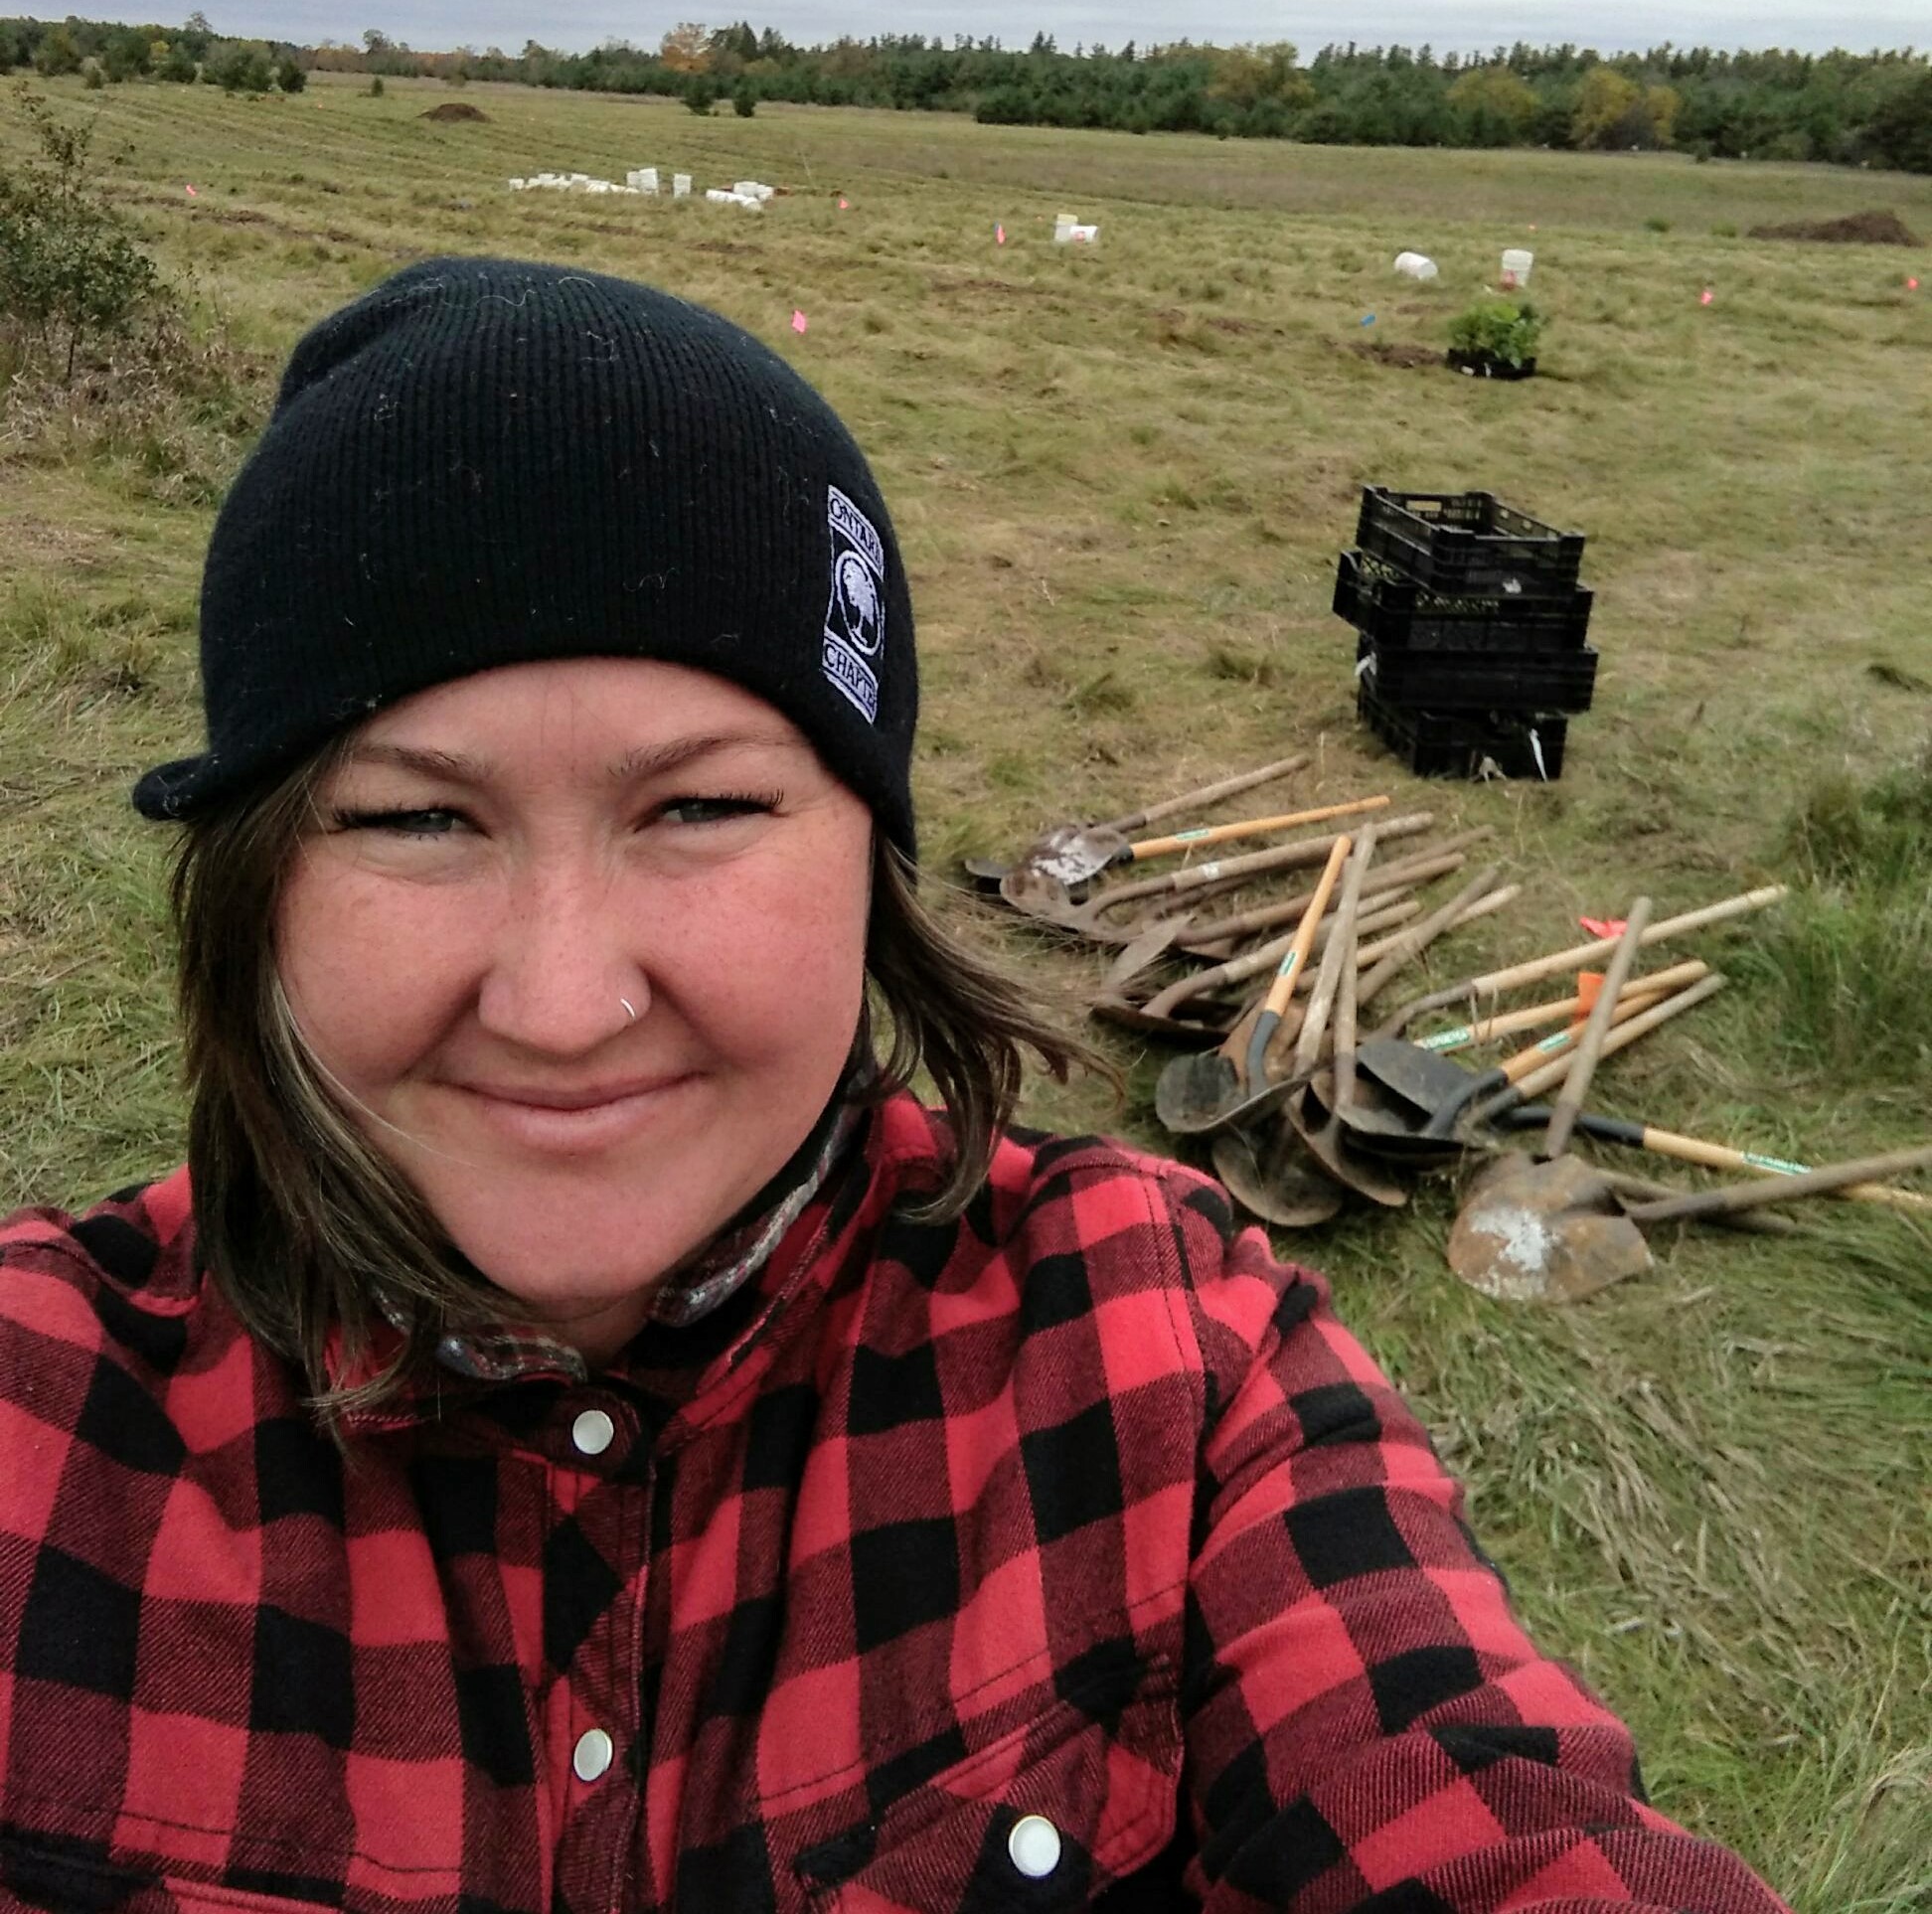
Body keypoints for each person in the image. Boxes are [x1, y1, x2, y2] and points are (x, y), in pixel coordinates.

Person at [0, 258, 1790, 1914]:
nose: (560, 1006)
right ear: (258, 882)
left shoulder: (1162, 1369)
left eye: (701, 806)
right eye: (415, 819)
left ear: (874, 858)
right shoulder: (39, 1423)